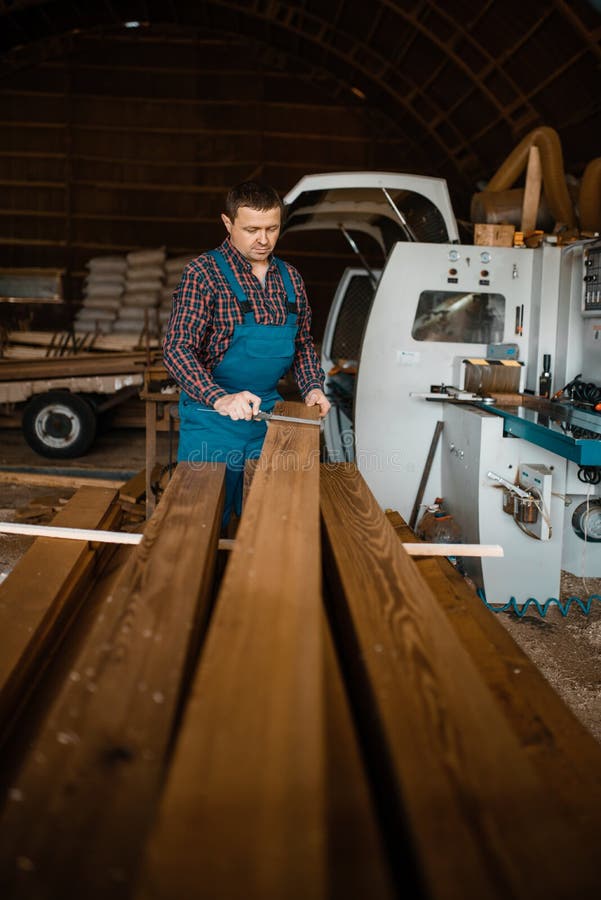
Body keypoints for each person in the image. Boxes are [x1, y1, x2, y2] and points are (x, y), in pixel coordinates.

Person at [163, 181, 330, 525]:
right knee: (201, 522)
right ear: (228, 224)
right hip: (211, 422)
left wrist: (313, 386)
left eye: (272, 229)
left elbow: (301, 345)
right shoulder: (203, 274)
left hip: (268, 421)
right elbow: (177, 349)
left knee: (268, 520)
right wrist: (220, 398)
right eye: (251, 229)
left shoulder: (291, 279)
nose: (263, 240)